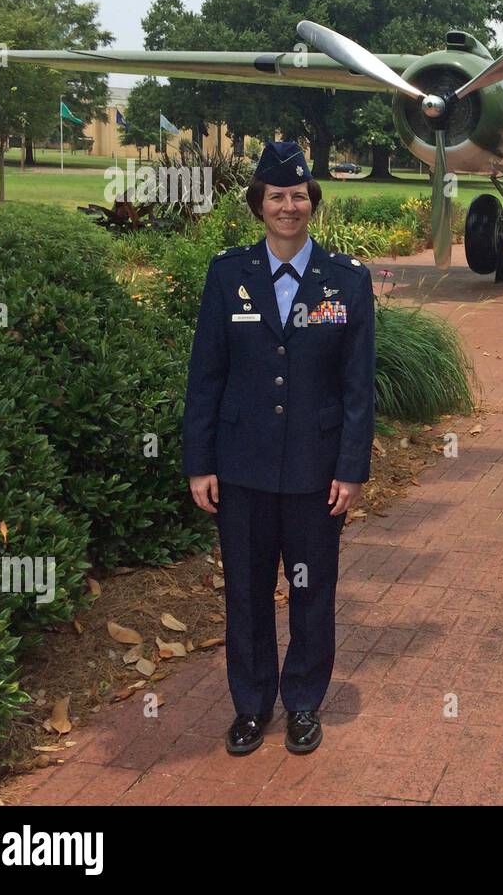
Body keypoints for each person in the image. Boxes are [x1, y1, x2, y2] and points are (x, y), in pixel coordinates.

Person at [182, 140, 376, 756]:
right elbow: (206, 375)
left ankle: (302, 704)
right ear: (258, 205)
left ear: (311, 203)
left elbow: (356, 386)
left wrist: (351, 469)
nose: (287, 206)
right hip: (241, 470)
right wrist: (199, 462)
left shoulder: (346, 281)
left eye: (298, 195)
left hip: (316, 473)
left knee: (311, 590)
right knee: (245, 590)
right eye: (276, 197)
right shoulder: (227, 274)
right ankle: (251, 705)